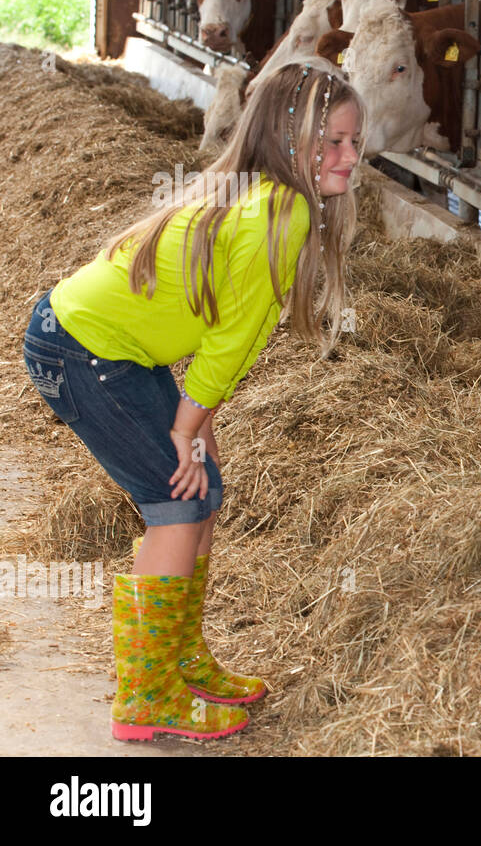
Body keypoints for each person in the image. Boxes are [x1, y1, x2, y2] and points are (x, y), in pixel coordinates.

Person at [22, 64, 363, 741]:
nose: (349, 159)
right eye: (332, 142)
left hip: (101, 346)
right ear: (288, 138)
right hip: (84, 351)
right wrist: (185, 430)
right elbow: (229, 346)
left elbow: (217, 336)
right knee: (177, 507)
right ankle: (146, 697)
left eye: (355, 143)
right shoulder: (281, 211)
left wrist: (194, 429)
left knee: (198, 494)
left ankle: (177, 661)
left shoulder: (264, 194)